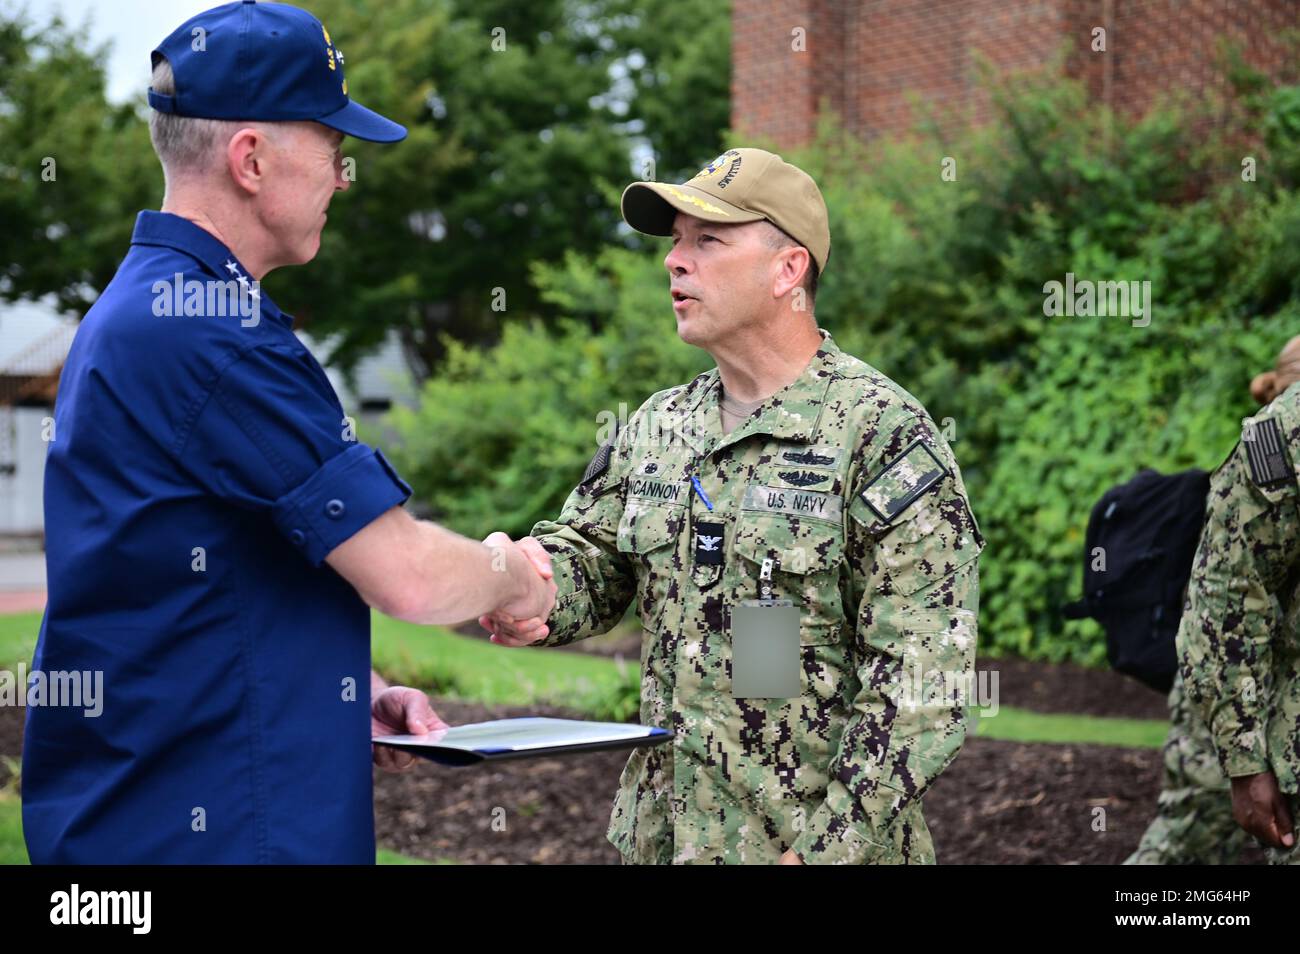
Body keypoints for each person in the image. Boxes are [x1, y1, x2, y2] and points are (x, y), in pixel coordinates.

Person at [22, 1, 554, 864]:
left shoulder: (147, 309)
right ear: (252, 158)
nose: (343, 180)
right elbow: (409, 576)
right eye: (335, 153)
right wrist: (515, 576)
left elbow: (198, 574)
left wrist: (347, 690)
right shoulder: (212, 338)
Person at [481, 148, 984, 864]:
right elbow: (591, 561)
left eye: (707, 241)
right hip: (666, 841)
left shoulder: (880, 434)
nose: (674, 262)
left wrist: (821, 852)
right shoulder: (659, 425)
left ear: (789, 270)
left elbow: (922, 685)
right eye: (675, 241)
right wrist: (524, 584)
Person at [1126, 336, 1300, 864]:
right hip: (1242, 691)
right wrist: (1245, 759)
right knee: (1186, 840)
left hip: (1246, 698)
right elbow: (1226, 595)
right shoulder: (1278, 441)